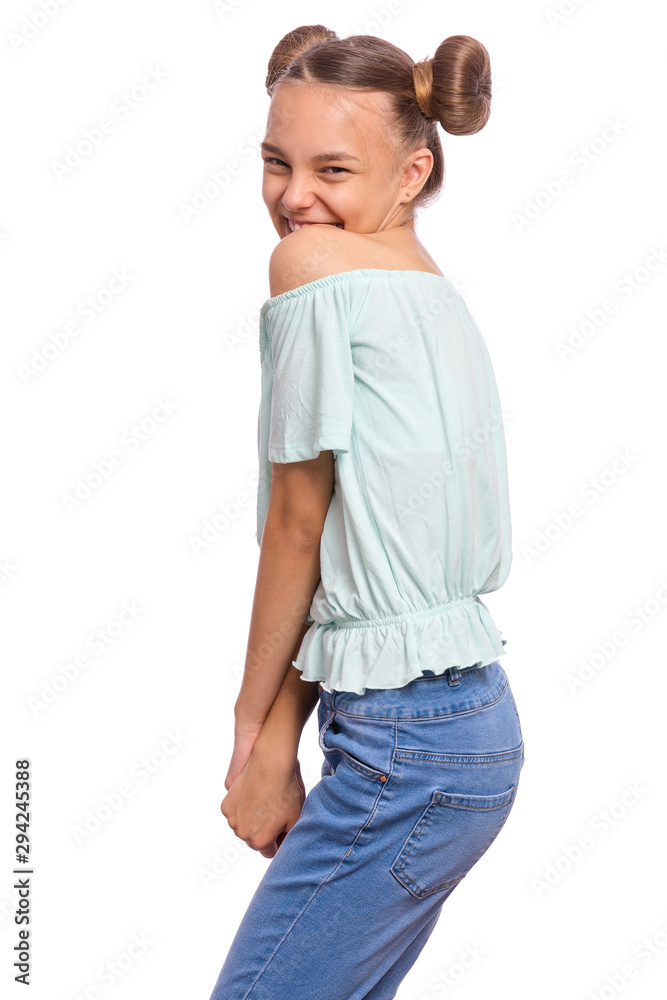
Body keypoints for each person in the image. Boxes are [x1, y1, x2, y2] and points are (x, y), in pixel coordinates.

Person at [207, 24, 526, 1000]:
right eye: (275, 161)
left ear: (411, 171)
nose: (294, 197)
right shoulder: (437, 300)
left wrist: (254, 738)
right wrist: (286, 733)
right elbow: (365, 581)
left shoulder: (311, 274)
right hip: (465, 732)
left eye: (332, 168)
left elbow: (301, 529)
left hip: (403, 744)